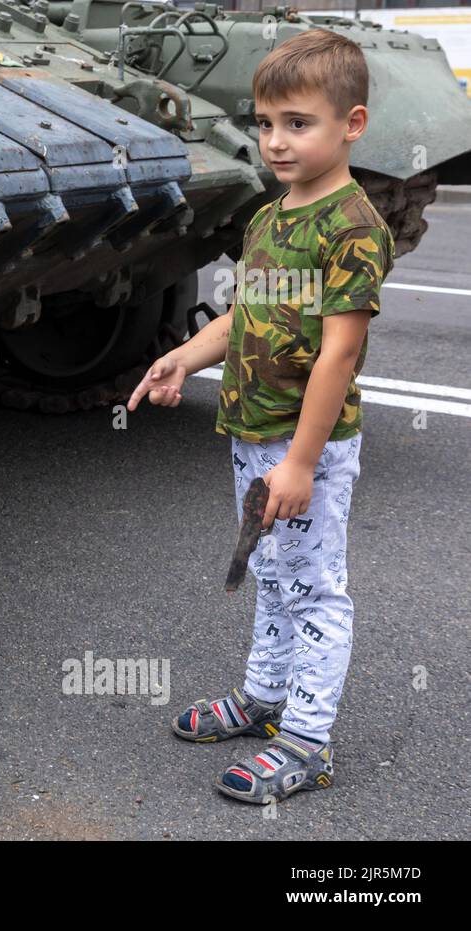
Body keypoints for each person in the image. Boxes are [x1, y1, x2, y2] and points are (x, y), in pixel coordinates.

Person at [126, 28, 395, 804]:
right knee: (275, 578)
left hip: (302, 444)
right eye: (266, 123)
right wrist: (186, 355)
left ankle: (307, 742)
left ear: (352, 124)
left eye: (298, 123)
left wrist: (303, 462)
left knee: (314, 590)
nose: (276, 141)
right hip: (252, 438)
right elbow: (245, 313)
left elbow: (340, 354)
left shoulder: (351, 226)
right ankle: (265, 698)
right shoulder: (271, 218)